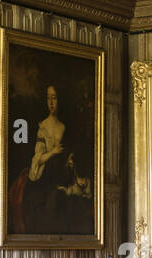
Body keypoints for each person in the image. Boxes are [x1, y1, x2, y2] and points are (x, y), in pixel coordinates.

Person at [8, 84, 91, 234]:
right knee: (48, 206)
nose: (51, 102)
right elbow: (37, 159)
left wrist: (70, 164)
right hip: (45, 178)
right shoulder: (43, 127)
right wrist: (52, 152)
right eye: (48, 98)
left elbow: (72, 154)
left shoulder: (65, 126)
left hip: (64, 178)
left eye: (54, 98)